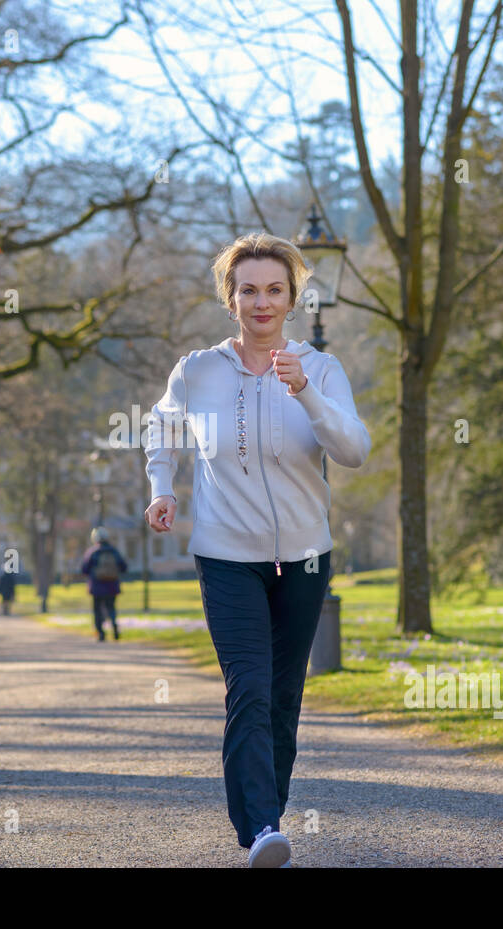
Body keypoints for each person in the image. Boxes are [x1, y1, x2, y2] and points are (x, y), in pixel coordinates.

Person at [143, 232, 371, 868]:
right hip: (226, 556)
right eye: (249, 290)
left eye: (275, 290)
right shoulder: (198, 370)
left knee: (284, 696)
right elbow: (158, 428)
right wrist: (162, 489)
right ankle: (264, 828)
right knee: (248, 686)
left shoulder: (320, 370)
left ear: (292, 298)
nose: (261, 302)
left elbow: (354, 450)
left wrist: (307, 394)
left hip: (304, 558)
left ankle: (264, 813)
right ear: (231, 297)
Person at [79, 527, 127, 642]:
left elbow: (84, 569)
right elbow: (124, 567)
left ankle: (100, 633)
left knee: (97, 610)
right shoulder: (114, 551)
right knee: (111, 608)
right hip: (112, 585)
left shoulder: (92, 552)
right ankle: (114, 626)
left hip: (97, 586)